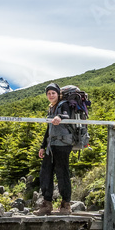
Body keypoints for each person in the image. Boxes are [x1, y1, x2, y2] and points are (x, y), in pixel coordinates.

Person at [36, 83, 73, 215]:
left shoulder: (63, 105)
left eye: (53, 93)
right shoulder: (51, 108)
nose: (51, 95)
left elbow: (67, 115)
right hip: (51, 145)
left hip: (63, 145)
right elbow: (48, 129)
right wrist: (42, 146)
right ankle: (46, 204)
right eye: (49, 93)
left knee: (62, 173)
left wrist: (59, 117)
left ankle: (66, 205)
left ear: (58, 94)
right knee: (45, 173)